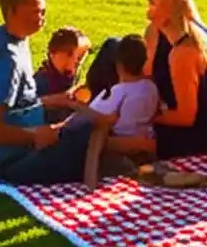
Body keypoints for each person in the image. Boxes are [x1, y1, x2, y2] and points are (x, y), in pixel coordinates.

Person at [0, 0, 91, 184]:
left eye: (43, 10)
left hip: (26, 131)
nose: (42, 17)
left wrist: (55, 100)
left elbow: (19, 103)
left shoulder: (9, 37)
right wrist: (36, 136)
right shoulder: (7, 60)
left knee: (82, 118)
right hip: (14, 160)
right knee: (88, 135)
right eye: (36, 11)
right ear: (12, 11)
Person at [142, 0, 207, 158]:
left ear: (168, 11)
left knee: (123, 140)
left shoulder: (183, 52)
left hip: (200, 135)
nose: (148, 13)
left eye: (152, 4)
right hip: (205, 122)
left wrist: (147, 116)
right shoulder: (191, 35)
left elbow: (186, 117)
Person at [60, 34, 161, 190]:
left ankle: (92, 181)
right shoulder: (151, 87)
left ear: (119, 65)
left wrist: (74, 105)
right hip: (143, 137)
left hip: (117, 141)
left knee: (89, 136)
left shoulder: (119, 91)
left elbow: (94, 116)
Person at [34, 26, 92, 122]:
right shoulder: (41, 81)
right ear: (53, 54)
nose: (77, 63)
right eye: (70, 55)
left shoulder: (70, 78)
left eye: (80, 59)